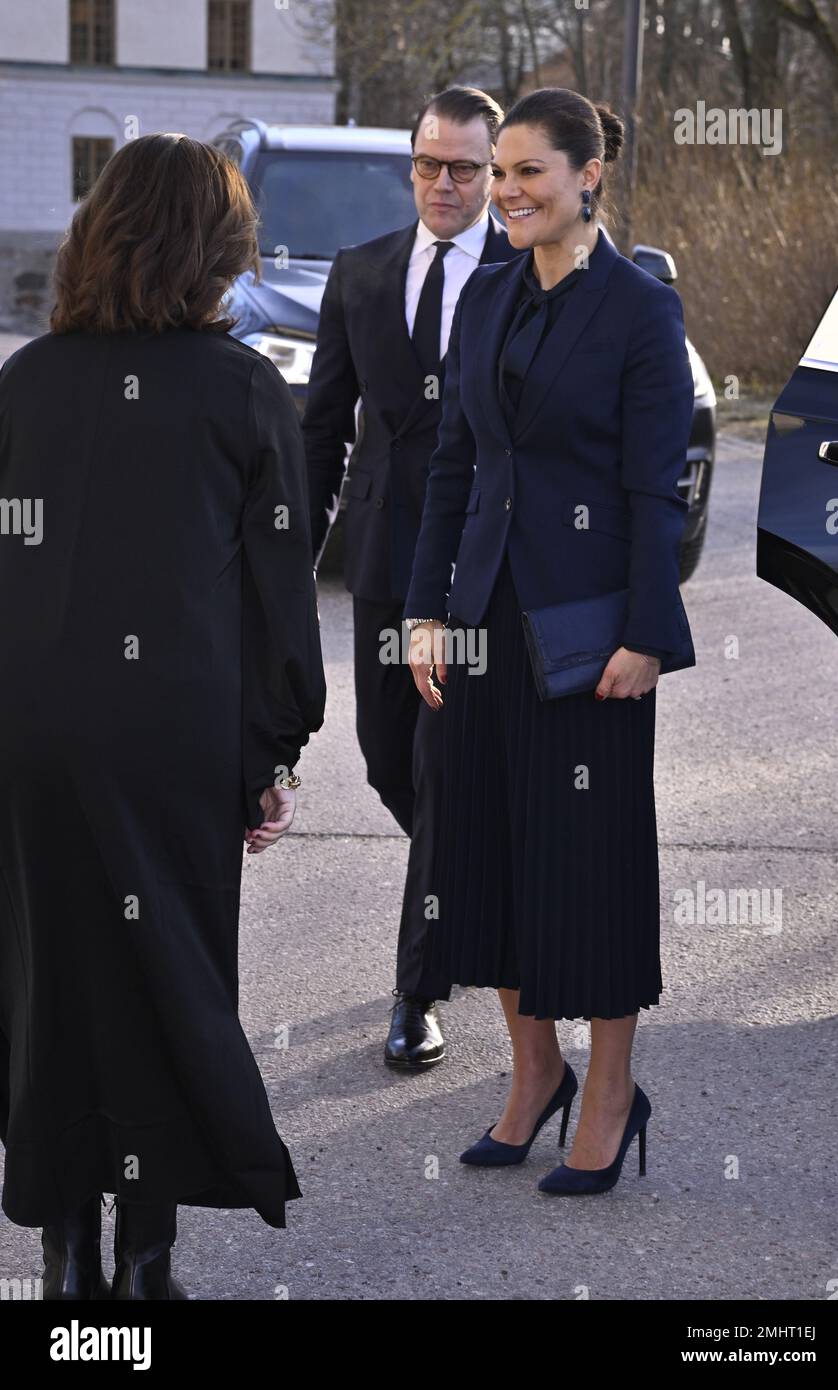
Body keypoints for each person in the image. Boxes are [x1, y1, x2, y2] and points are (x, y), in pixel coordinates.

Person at [0, 133, 326, 1298]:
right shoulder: (243, 389)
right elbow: (275, 597)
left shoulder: (24, 384)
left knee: (46, 985)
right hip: (173, 734)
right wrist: (269, 752)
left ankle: (64, 1262)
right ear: (215, 251)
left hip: (31, 732)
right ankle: (143, 1262)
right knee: (163, 974)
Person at [404, 88, 695, 1194]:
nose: (509, 191)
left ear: (588, 179)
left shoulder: (638, 308)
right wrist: (424, 610)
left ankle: (611, 1093)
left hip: (589, 643)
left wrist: (645, 633)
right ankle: (534, 1078)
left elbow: (651, 489)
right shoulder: (482, 298)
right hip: (479, 626)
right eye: (503, 173)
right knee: (488, 860)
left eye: (530, 172)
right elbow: (450, 468)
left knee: (590, 868)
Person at [302, 87, 522, 1070]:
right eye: (431, 164)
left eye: (465, 168)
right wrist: (284, 557)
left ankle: (419, 985)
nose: (445, 182)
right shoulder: (357, 275)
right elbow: (319, 433)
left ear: (492, 171)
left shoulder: (527, 276)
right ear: (412, 165)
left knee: (438, 766)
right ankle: (468, 879)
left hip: (482, 572)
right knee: (388, 756)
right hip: (386, 562)